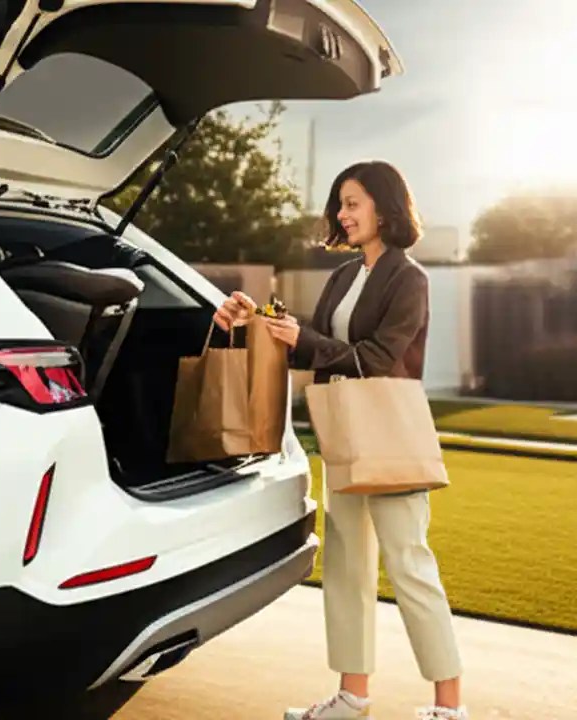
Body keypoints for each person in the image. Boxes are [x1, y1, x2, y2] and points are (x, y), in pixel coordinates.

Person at [213, 161, 467, 720]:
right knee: (347, 567)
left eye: (353, 203)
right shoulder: (344, 276)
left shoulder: (409, 278)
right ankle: (352, 699)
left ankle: (449, 708)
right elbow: (311, 342)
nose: (343, 215)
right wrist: (253, 319)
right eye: (340, 205)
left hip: (390, 438)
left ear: (385, 207)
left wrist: (305, 341)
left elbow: (378, 357)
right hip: (343, 437)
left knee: (409, 565)